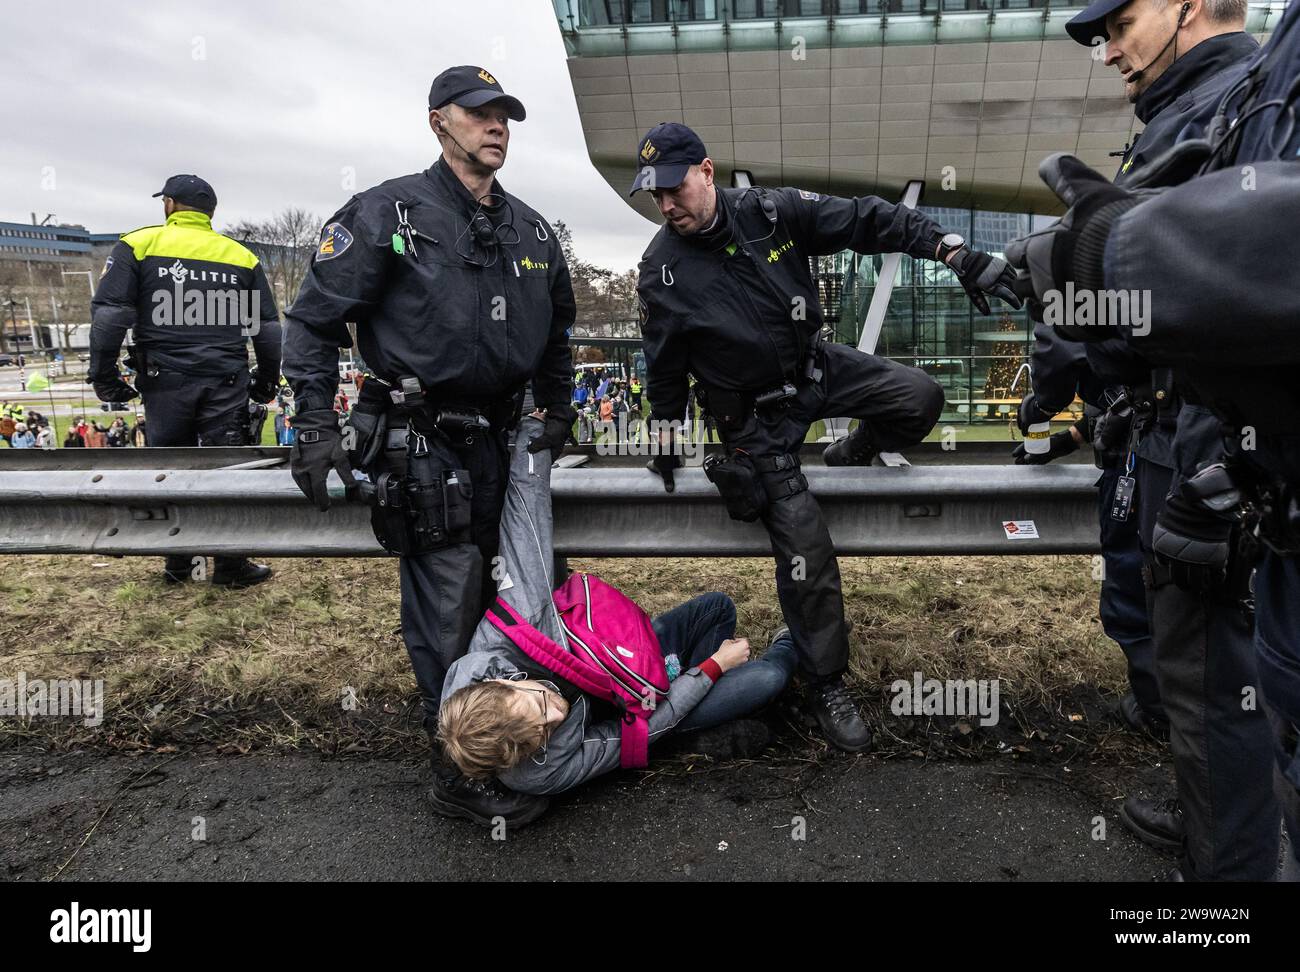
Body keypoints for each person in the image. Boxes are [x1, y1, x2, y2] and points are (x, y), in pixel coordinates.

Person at [1006, 0, 1300, 876]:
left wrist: (1218, 467)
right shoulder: (1242, 92)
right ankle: (1217, 827)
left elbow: (1239, 307)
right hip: (1205, 455)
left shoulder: (1227, 102)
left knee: (1215, 693)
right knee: (1214, 689)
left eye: (1120, 22)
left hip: (1199, 452)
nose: (1108, 53)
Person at [635, 122, 1020, 751]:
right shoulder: (661, 271)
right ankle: (825, 683)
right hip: (749, 423)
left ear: (706, 171)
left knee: (919, 398)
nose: (668, 205)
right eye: (657, 196)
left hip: (813, 371)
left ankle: (856, 448)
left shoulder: (771, 211)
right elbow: (665, 367)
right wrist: (664, 432)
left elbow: (873, 220)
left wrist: (956, 252)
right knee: (804, 544)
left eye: (676, 187)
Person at [282, 65, 575, 827]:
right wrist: (314, 423)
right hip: (423, 443)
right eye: (480, 114)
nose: (497, 126)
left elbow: (559, 333)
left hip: (506, 442)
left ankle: (512, 739)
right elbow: (313, 321)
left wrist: (559, 409)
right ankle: (457, 768)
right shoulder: (385, 213)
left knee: (518, 599)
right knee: (449, 605)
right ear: (439, 122)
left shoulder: (535, 229)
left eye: (505, 114)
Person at [437, 416, 795, 814]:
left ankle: (686, 693)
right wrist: (712, 667)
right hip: (635, 715)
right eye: (543, 735)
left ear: (505, 683)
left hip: (622, 666)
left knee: (717, 607)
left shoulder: (513, 629)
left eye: (538, 705)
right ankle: (784, 646)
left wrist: (533, 436)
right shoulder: (539, 773)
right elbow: (632, 737)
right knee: (770, 676)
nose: (556, 714)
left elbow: (525, 530)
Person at [89, 173, 282, 588]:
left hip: (165, 380)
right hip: (226, 380)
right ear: (210, 212)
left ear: (170, 205)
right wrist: (267, 381)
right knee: (227, 473)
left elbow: (111, 313)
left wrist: (103, 376)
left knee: (170, 471)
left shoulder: (139, 243)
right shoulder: (239, 255)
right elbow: (265, 327)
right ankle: (230, 567)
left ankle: (180, 564)